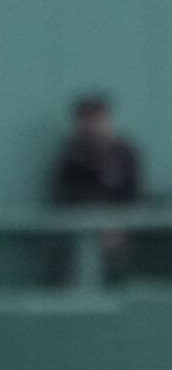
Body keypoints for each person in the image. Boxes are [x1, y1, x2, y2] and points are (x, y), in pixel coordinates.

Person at [52, 93, 145, 284]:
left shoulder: (124, 153)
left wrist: (118, 227)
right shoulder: (69, 156)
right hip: (77, 232)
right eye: (86, 120)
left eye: (98, 119)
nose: (93, 127)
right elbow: (62, 198)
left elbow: (135, 197)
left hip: (121, 231)